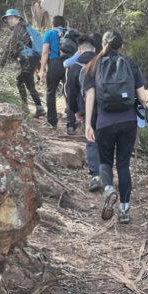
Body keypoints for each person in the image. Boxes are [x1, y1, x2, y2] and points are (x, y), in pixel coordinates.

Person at [82, 31, 147, 224]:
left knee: (105, 162)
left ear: (101, 44)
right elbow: (143, 98)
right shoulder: (130, 65)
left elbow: (90, 97)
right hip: (128, 122)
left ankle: (109, 189)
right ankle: (125, 210)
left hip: (104, 123)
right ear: (120, 46)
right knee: (123, 165)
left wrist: (88, 124)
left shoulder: (92, 66)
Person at [65, 35, 102, 191]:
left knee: (91, 140)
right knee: (104, 140)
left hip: (87, 108)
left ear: (79, 50)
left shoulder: (76, 66)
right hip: (106, 108)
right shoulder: (102, 63)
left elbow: (71, 92)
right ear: (95, 50)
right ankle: (106, 173)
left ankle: (96, 175)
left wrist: (76, 111)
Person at [0, 9, 45, 118]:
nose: (9, 21)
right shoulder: (25, 27)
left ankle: (38, 108)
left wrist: (2, 63)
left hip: (27, 59)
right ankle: (27, 107)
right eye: (7, 19)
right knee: (20, 81)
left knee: (29, 84)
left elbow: (10, 47)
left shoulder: (18, 28)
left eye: (11, 18)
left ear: (18, 18)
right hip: (33, 58)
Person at [39, 15, 73, 129]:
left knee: (51, 92)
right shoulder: (70, 34)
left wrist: (42, 70)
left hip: (54, 64)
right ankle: (71, 125)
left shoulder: (49, 33)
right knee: (69, 92)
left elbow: (45, 52)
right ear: (64, 25)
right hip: (69, 65)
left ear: (52, 25)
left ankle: (52, 122)